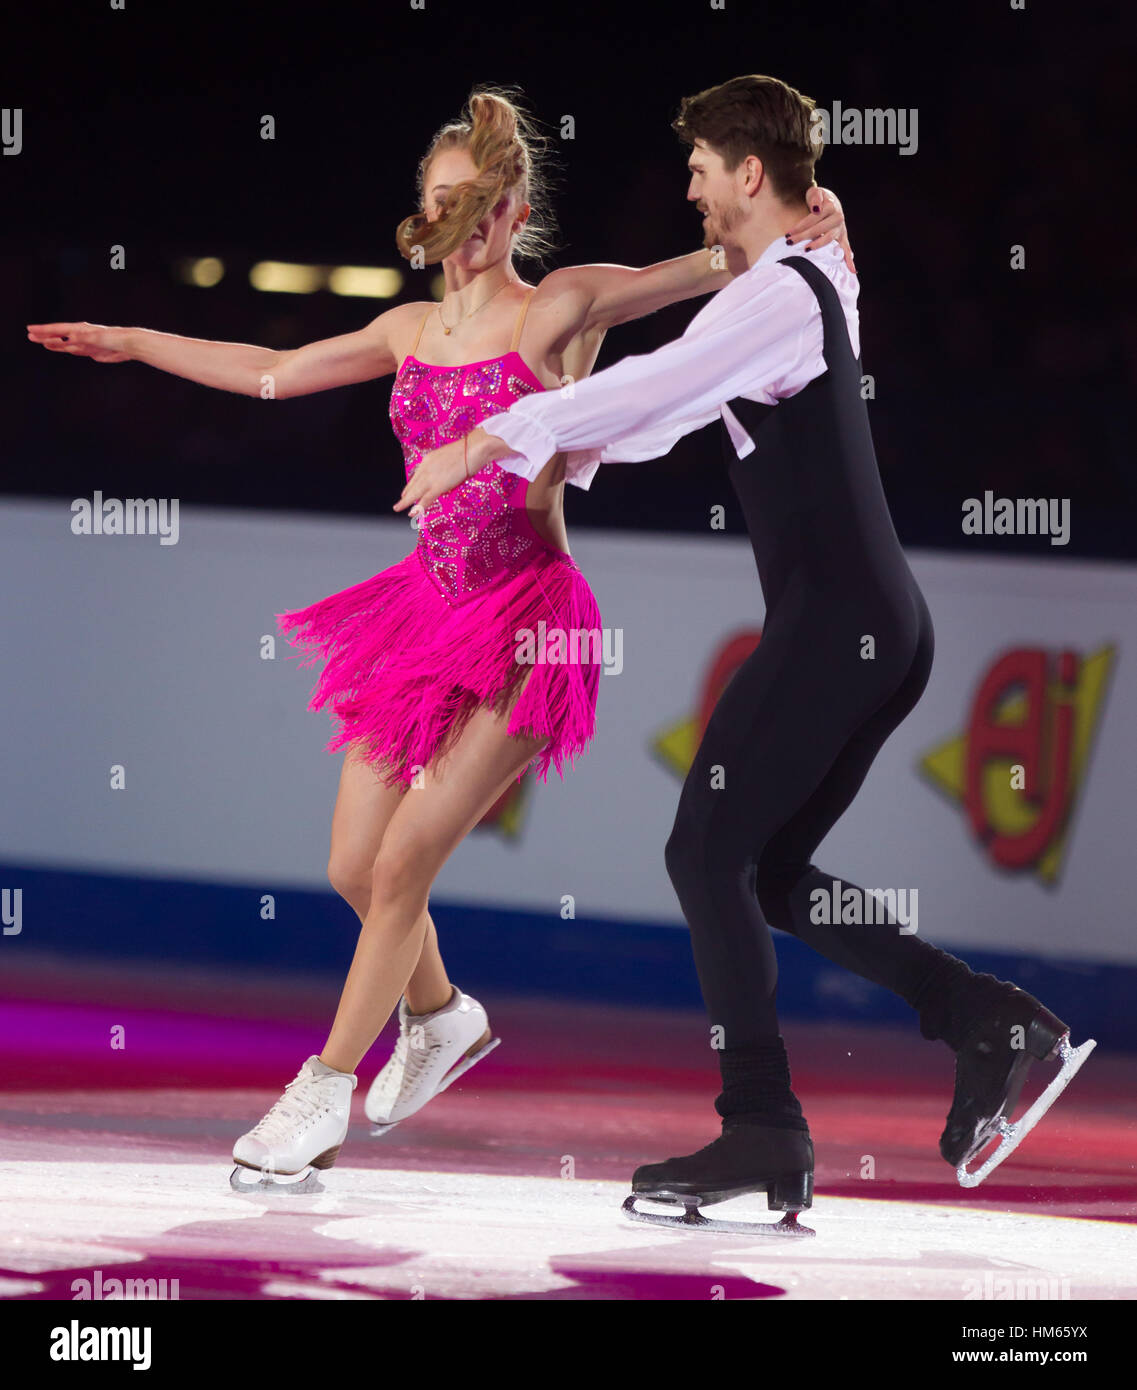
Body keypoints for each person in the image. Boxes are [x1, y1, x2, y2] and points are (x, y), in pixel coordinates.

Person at [27, 85, 854, 1188]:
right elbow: (273, 375)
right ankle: (442, 1013)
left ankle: (319, 1092)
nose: (453, 225)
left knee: (409, 858)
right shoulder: (406, 330)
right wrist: (136, 339)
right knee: (352, 868)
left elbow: (715, 266)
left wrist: (815, 217)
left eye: (472, 205)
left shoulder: (558, 307)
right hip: (422, 613)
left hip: (531, 621)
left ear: (511, 214)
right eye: (435, 202)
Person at [399, 75, 1090, 1226]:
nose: (691, 190)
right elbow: (671, 408)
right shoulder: (810, 278)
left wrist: (496, 435)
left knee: (703, 851)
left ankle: (763, 1129)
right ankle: (985, 1018)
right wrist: (562, 454)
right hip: (867, 626)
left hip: (843, 626)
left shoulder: (782, 292)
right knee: (755, 869)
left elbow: (659, 380)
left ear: (751, 175)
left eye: (702, 171)